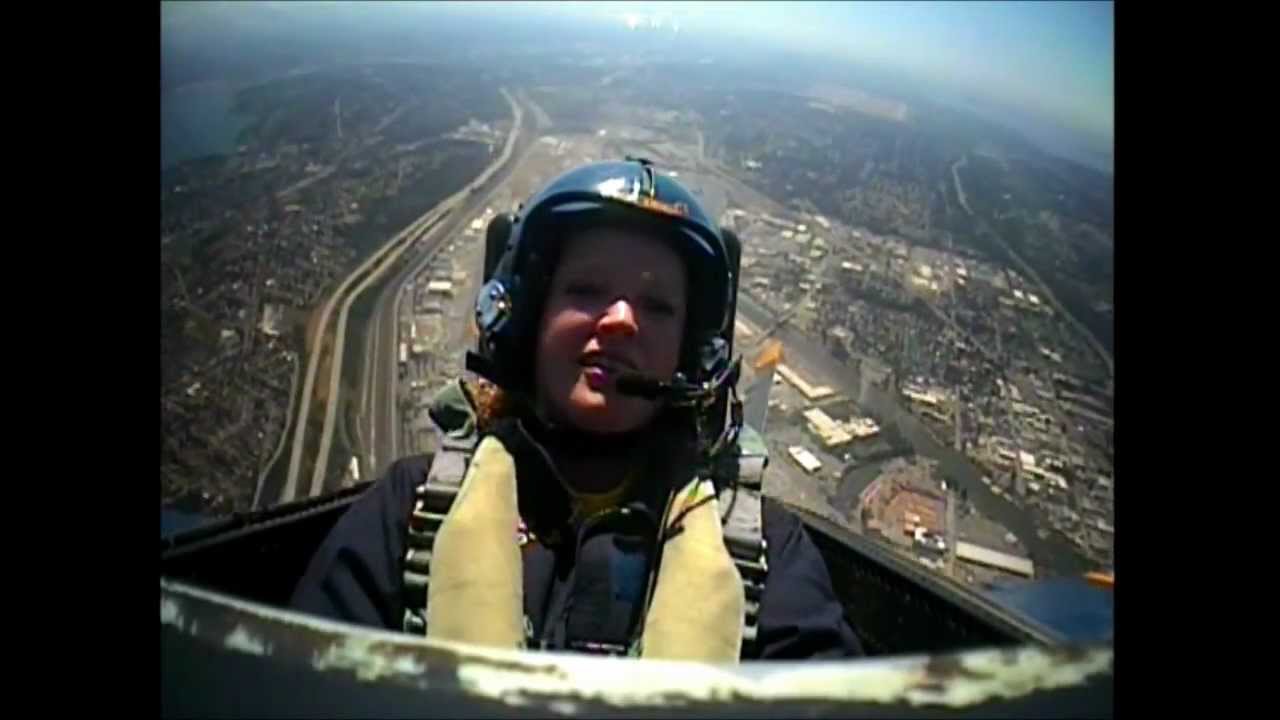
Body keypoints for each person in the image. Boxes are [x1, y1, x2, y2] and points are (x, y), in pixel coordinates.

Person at [291, 158, 862, 661]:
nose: (620, 321)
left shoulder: (767, 550)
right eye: (586, 290)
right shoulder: (411, 510)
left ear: (690, 353)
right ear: (527, 320)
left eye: (658, 306)